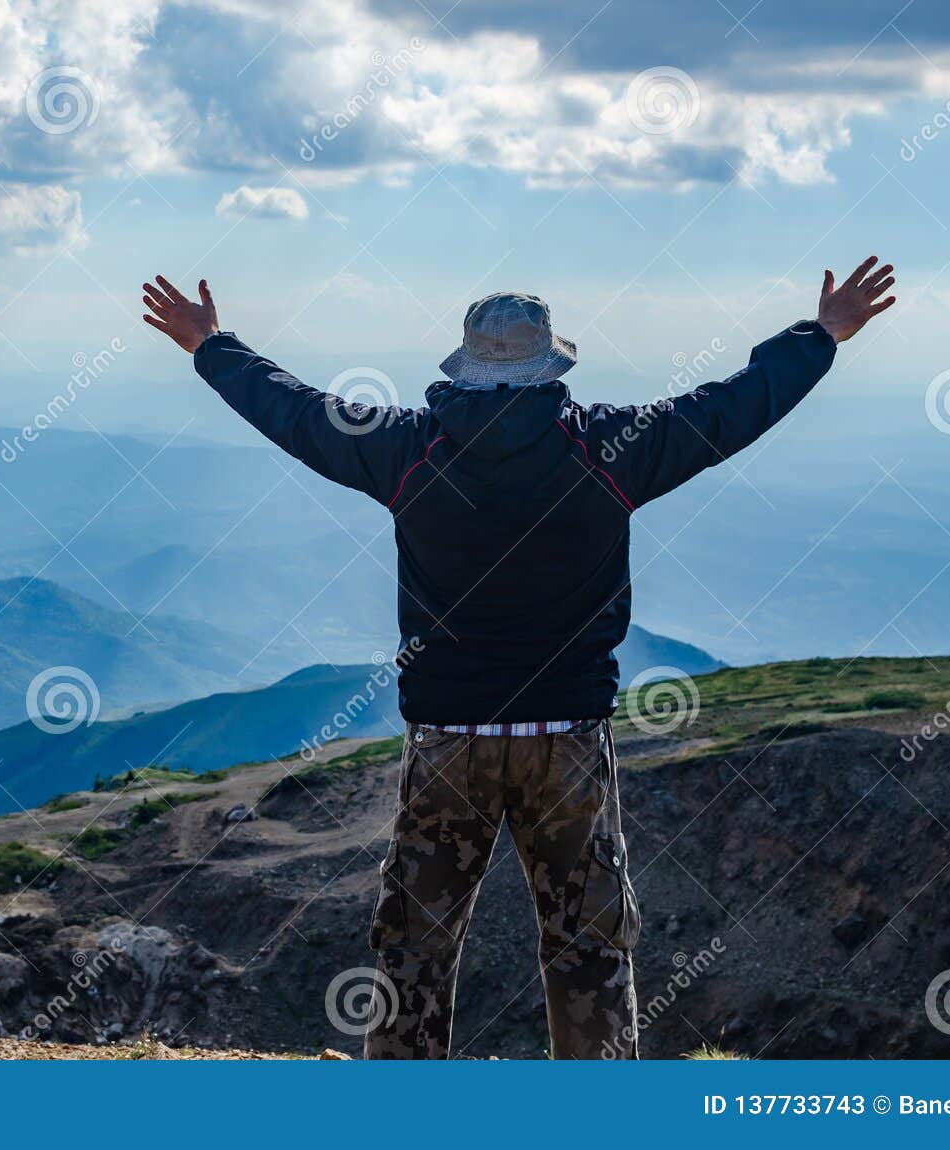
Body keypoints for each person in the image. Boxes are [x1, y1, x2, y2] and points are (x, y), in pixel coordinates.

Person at [140, 259, 895, 1059]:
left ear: (465, 364)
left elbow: (297, 412)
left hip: (449, 739)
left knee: (416, 945)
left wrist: (212, 346)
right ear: (551, 366)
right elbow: (730, 408)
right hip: (567, 736)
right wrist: (820, 335)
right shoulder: (614, 449)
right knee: (588, 944)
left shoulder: (403, 451)